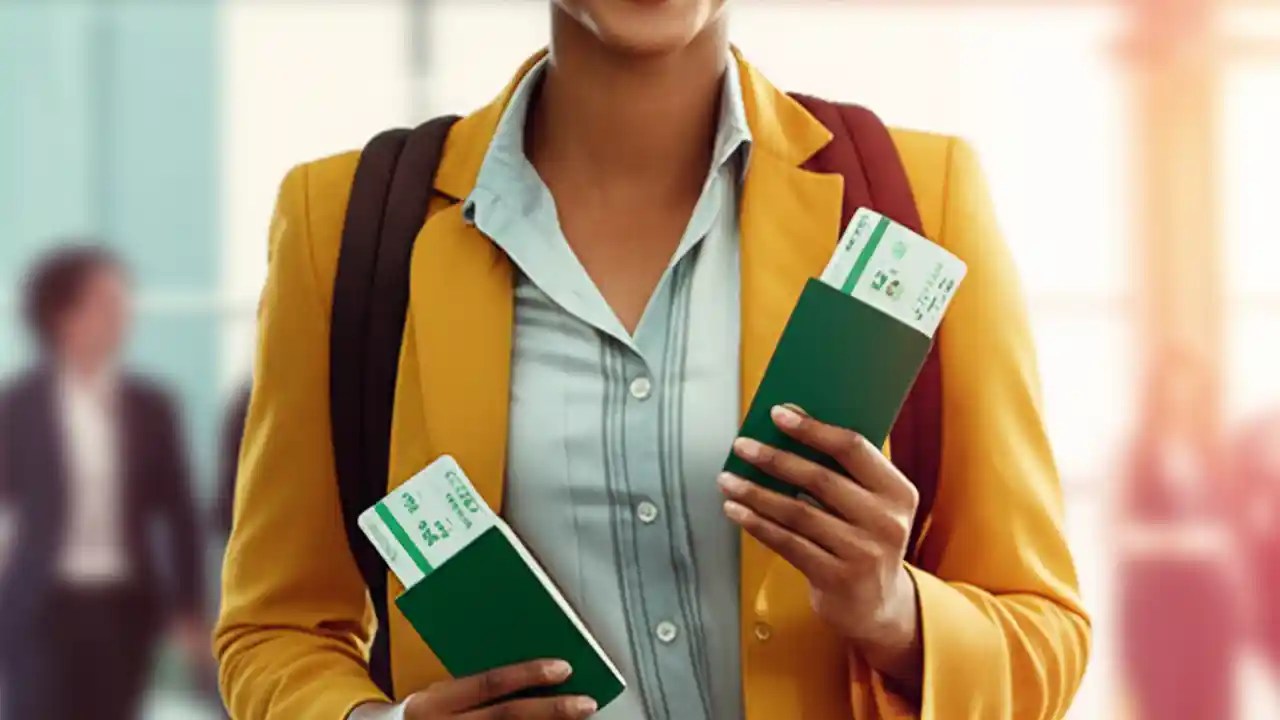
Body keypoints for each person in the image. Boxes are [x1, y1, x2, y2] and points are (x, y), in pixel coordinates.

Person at [215, 3, 1090, 719]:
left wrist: (896, 615)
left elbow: (1043, 632)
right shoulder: (346, 229)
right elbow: (274, 631)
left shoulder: (916, 201)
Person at [0, 246, 206, 720]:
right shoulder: (19, 407)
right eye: (106, 304)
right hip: (40, 606)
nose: (122, 317)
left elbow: (180, 514)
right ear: (63, 316)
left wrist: (189, 607)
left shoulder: (152, 407)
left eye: (123, 304)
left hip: (124, 607)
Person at [1118, 354, 1243, 720]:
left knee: (1209, 702)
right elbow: (1123, 536)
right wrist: (1185, 541)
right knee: (1163, 702)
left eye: (1189, 389)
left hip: (1208, 600)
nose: (1181, 398)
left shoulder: (1214, 452)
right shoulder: (1137, 454)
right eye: (1173, 389)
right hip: (1157, 602)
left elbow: (1232, 531)